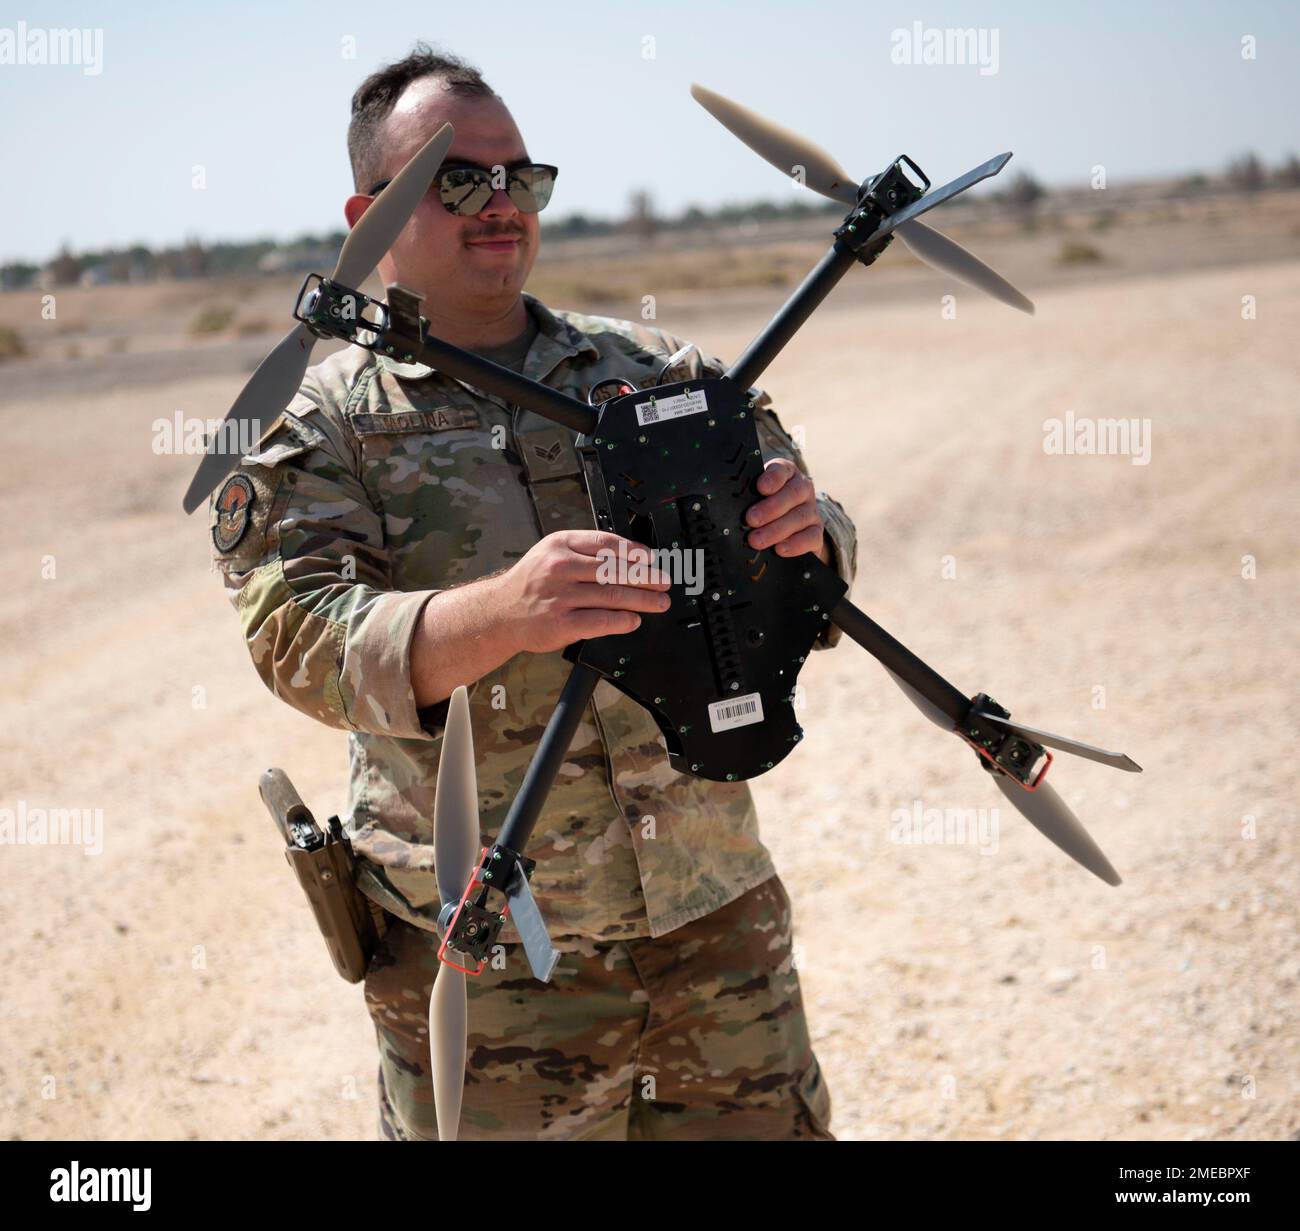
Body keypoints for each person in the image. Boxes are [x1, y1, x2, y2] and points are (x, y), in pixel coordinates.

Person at [209, 42, 858, 1140]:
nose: (499, 203)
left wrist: (809, 538)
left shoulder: (660, 374)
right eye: (457, 179)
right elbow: (303, 644)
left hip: (712, 922)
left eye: (521, 178)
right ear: (370, 213)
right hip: (486, 957)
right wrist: (503, 613)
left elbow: (817, 565)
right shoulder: (314, 429)